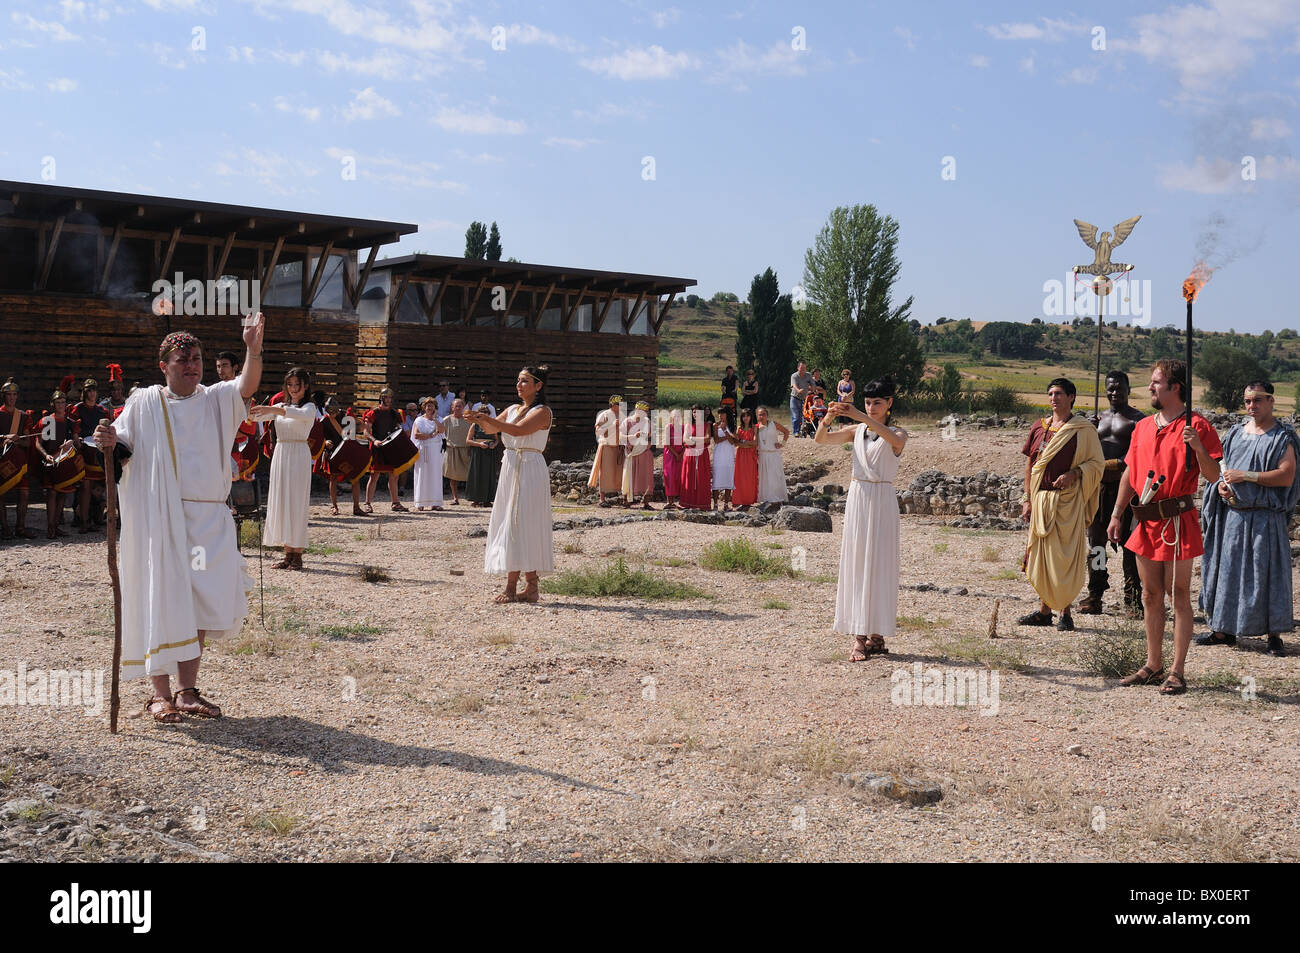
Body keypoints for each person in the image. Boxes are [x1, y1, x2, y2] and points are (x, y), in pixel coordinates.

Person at [94, 318, 263, 723]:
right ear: (163, 366)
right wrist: (108, 441)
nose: (192, 365)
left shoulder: (215, 399)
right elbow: (122, 447)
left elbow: (248, 385)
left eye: (197, 359)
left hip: (206, 522)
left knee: (201, 600)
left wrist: (253, 349)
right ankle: (158, 695)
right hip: (162, 521)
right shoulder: (144, 403)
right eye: (182, 359)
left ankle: (188, 691)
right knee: (162, 595)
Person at [1107, 360, 1223, 696]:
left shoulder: (1198, 425)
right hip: (1145, 519)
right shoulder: (1143, 427)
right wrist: (1117, 513)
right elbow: (1131, 471)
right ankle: (1153, 664)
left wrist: (1198, 447)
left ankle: (1177, 671)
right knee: (1150, 594)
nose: (1150, 388)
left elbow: (1214, 476)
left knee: (1180, 595)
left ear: (1175, 387)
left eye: (1156, 382)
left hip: (1177, 520)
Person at [1198, 381, 1298, 657]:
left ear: (1271, 401)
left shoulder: (1282, 437)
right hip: (1233, 516)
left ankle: (1273, 635)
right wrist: (1221, 485)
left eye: (1257, 400)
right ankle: (1223, 630)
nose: (1251, 406)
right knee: (1227, 573)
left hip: (1266, 518)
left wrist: (1247, 476)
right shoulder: (1235, 434)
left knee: (1266, 575)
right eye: (1247, 401)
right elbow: (1224, 469)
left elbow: (1286, 475)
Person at [817, 379, 908, 660]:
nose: (872, 407)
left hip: (882, 499)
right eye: (868, 403)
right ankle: (858, 636)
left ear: (889, 403)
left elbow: (896, 442)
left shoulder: (897, 432)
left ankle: (877, 634)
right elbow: (821, 439)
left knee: (881, 564)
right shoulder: (856, 431)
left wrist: (861, 416)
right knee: (857, 562)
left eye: (877, 402)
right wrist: (829, 418)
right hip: (859, 497)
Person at [1017, 379, 1105, 632]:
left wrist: (1075, 473)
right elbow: (1030, 466)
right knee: (1043, 558)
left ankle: (1065, 611)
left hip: (1067, 502)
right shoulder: (1038, 427)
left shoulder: (1082, 429)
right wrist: (1027, 499)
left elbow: (1096, 464)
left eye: (1058, 394)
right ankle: (1044, 611)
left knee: (1064, 557)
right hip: (1041, 499)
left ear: (1071, 397)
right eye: (1050, 394)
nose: (1053, 398)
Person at [465, 365, 554, 604]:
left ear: (538, 386)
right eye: (518, 380)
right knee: (509, 520)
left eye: (525, 381)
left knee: (523, 522)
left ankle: (516, 587)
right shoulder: (513, 408)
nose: (519, 385)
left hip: (530, 466)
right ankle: (528, 588)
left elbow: (519, 430)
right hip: (511, 464)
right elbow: (493, 428)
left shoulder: (543, 412)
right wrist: (478, 420)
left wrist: (489, 420)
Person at [1079, 371, 1147, 616]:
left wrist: (1110, 465)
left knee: (1130, 546)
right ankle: (1095, 593)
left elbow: (1137, 458)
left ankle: (1132, 597)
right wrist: (1088, 429)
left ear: (1129, 389)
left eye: (1119, 388)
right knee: (1096, 545)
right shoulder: (1096, 420)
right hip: (1098, 491)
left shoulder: (1138, 421)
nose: (1114, 392)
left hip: (1126, 490)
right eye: (1110, 388)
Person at [259, 367, 316, 571]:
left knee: (296, 502)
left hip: (299, 454)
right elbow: (257, 417)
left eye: (297, 385)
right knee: (281, 501)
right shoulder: (280, 406)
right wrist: (249, 406)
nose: (293, 389)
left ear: (305, 386)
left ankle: (297, 554)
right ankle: (287, 554)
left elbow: (296, 414)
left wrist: (274, 410)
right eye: (290, 385)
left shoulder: (310, 407)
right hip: (281, 453)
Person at [37, 389, 78, 540]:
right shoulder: (49, 421)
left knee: (62, 493)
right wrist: (46, 455)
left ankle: (56, 526)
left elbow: (77, 443)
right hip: (51, 462)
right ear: (53, 404)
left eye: (63, 402)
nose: (60, 405)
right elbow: (40, 443)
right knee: (52, 493)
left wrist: (73, 441)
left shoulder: (70, 423)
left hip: (64, 462)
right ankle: (50, 527)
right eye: (58, 402)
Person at [0, 378, 37, 539]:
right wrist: (4, 437)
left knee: (24, 494)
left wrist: (17, 439)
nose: (12, 397)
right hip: (2, 461)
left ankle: (20, 527)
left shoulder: (23, 416)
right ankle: (5, 528)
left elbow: (28, 441)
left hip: (19, 461)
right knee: (0, 495)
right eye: (9, 394)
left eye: (14, 394)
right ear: (4, 396)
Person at [71, 378, 108, 534]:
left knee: (99, 487)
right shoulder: (77, 409)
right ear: (85, 393)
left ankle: (97, 518)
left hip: (98, 452)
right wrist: (76, 439)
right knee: (85, 488)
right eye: (89, 391)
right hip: (84, 451)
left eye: (94, 390)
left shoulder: (102, 410)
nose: (92, 394)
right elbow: (73, 430)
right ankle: (84, 521)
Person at [363, 387, 407, 513]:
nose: (389, 400)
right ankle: (367, 503)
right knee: (374, 475)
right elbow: (366, 431)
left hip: (390, 446)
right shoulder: (373, 413)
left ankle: (395, 503)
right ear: (381, 398)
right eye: (386, 397)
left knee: (394, 476)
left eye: (390, 397)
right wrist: (374, 440)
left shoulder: (394, 413)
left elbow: (398, 428)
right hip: (377, 447)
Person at [320, 397, 365, 516]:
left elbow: (359, 429)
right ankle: (334, 506)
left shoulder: (346, 416)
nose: (333, 415)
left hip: (348, 451)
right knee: (333, 478)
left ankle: (356, 507)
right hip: (334, 452)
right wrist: (325, 442)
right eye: (330, 413)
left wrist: (358, 423)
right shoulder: (324, 421)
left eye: (334, 412)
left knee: (355, 478)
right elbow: (320, 437)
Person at [588, 396, 625, 507]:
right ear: (613, 404)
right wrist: (612, 426)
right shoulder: (604, 415)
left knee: (620, 473)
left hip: (619, 447)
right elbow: (598, 430)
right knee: (605, 472)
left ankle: (624, 498)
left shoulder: (622, 416)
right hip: (607, 446)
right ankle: (602, 498)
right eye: (618, 404)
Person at [410, 396, 446, 511]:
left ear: (435, 407)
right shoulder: (419, 420)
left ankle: (435, 502)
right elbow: (416, 435)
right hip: (423, 450)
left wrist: (435, 419)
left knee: (435, 475)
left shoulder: (439, 419)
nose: (430, 407)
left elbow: (442, 430)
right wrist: (429, 436)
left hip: (435, 450)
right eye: (427, 405)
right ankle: (420, 502)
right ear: (424, 407)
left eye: (432, 405)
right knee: (422, 475)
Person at [620, 400, 655, 510]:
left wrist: (649, 444)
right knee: (629, 475)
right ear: (637, 410)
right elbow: (621, 436)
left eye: (646, 412)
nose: (645, 413)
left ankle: (646, 501)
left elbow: (651, 437)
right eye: (643, 411)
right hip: (632, 452)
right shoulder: (628, 421)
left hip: (644, 452)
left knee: (647, 476)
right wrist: (630, 440)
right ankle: (626, 500)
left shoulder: (647, 422)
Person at [680, 405, 713, 510]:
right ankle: (688, 503)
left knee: (701, 478)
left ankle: (701, 504)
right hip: (690, 454)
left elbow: (708, 439)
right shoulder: (688, 425)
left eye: (698, 412)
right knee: (689, 477)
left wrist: (692, 438)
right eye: (694, 412)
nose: (696, 414)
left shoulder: (706, 425)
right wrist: (698, 440)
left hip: (702, 455)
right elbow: (685, 440)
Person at [755, 406, 790, 504]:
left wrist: (782, 444)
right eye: (760, 414)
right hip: (762, 455)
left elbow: (786, 432)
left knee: (775, 475)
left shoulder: (773, 424)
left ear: (767, 415)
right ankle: (766, 498)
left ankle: (778, 497)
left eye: (763, 414)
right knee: (764, 477)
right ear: (757, 416)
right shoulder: (756, 427)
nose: (762, 416)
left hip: (774, 454)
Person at [441, 399, 472, 505]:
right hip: (451, 450)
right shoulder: (446, 420)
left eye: (460, 406)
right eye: (456, 406)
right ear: (452, 407)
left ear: (463, 407)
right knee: (453, 476)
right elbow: (441, 435)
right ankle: (455, 498)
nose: (458, 408)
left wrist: (471, 448)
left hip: (465, 449)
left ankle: (472, 497)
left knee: (469, 474)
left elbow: (473, 435)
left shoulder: (468, 420)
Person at [731, 407, 759, 509]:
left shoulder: (754, 428)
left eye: (747, 416)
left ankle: (749, 500)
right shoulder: (739, 428)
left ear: (751, 417)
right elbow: (736, 443)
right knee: (740, 477)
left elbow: (755, 442)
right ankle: (739, 500)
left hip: (750, 456)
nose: (746, 418)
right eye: (744, 416)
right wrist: (747, 444)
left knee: (750, 477)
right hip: (741, 456)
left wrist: (743, 442)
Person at [711, 406, 737, 511]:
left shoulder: (732, 426)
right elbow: (716, 440)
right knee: (716, 478)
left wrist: (725, 432)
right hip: (718, 454)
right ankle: (716, 504)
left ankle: (726, 505)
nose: (720, 416)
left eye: (722, 413)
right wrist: (728, 436)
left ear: (727, 414)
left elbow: (733, 442)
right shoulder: (715, 425)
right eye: (719, 414)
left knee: (728, 477)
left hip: (729, 455)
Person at [661, 407, 685, 510]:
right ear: (671, 417)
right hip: (670, 454)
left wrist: (681, 454)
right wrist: (676, 454)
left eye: (678, 416)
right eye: (674, 416)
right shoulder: (668, 427)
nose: (676, 418)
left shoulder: (684, 428)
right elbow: (667, 443)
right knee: (669, 476)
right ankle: (669, 501)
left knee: (678, 477)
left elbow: (686, 442)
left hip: (681, 454)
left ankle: (678, 501)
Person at [789, 362, 813, 437]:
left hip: (804, 398)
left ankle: (800, 431)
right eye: (801, 368)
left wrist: (813, 389)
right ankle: (796, 431)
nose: (803, 370)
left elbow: (813, 384)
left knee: (802, 416)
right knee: (796, 416)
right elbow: (794, 385)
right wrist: (798, 390)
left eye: (804, 368)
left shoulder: (808, 375)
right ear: (798, 368)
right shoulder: (794, 376)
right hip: (794, 398)